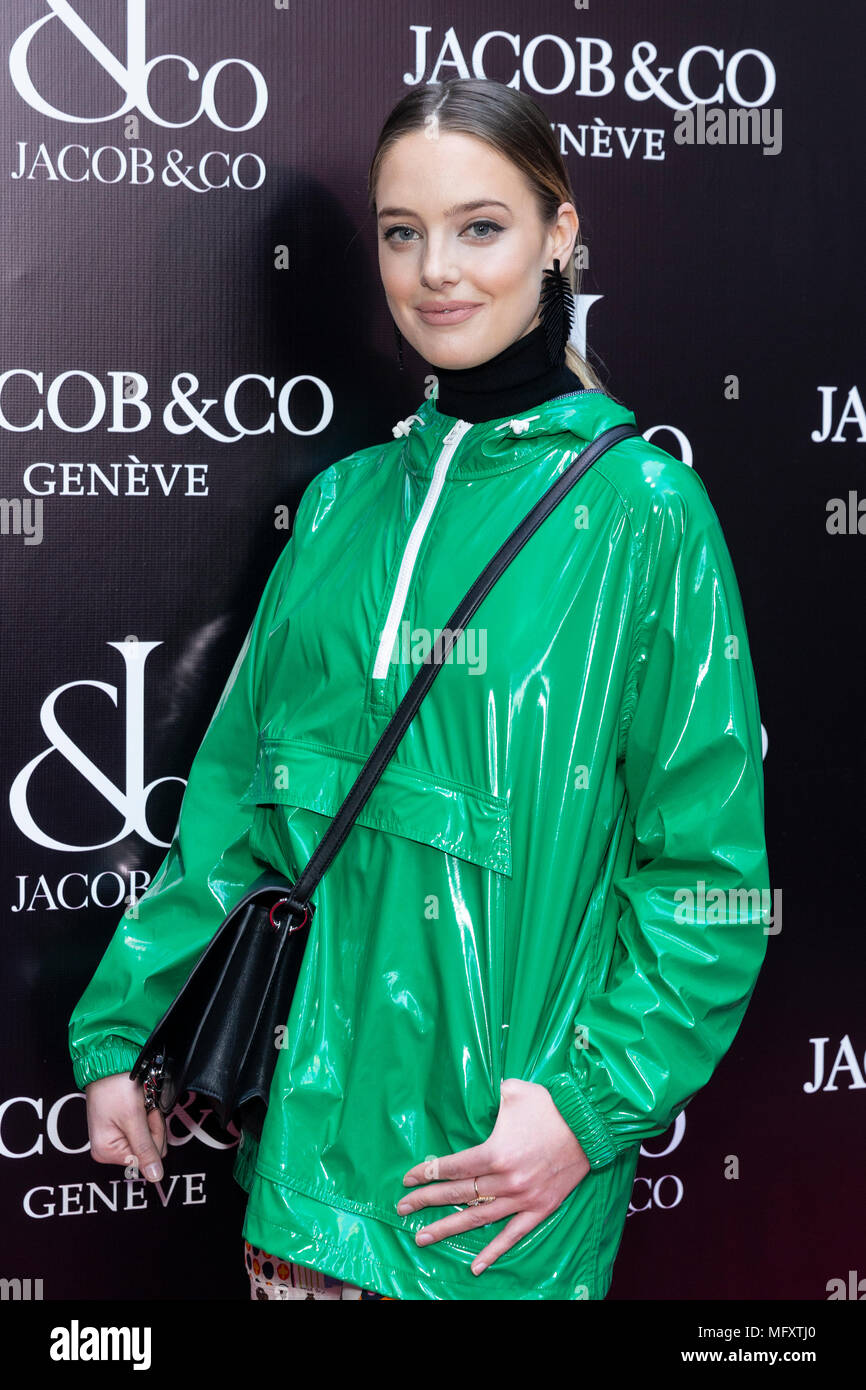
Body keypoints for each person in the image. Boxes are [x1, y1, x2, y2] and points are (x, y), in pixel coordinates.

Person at [69, 78, 771, 1302]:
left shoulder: (642, 514)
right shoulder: (341, 503)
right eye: (403, 232)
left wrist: (583, 1108)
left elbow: (708, 879)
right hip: (298, 1188)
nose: (435, 270)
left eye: (480, 226)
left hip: (492, 1199)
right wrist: (124, 1030)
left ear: (558, 234)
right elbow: (238, 802)